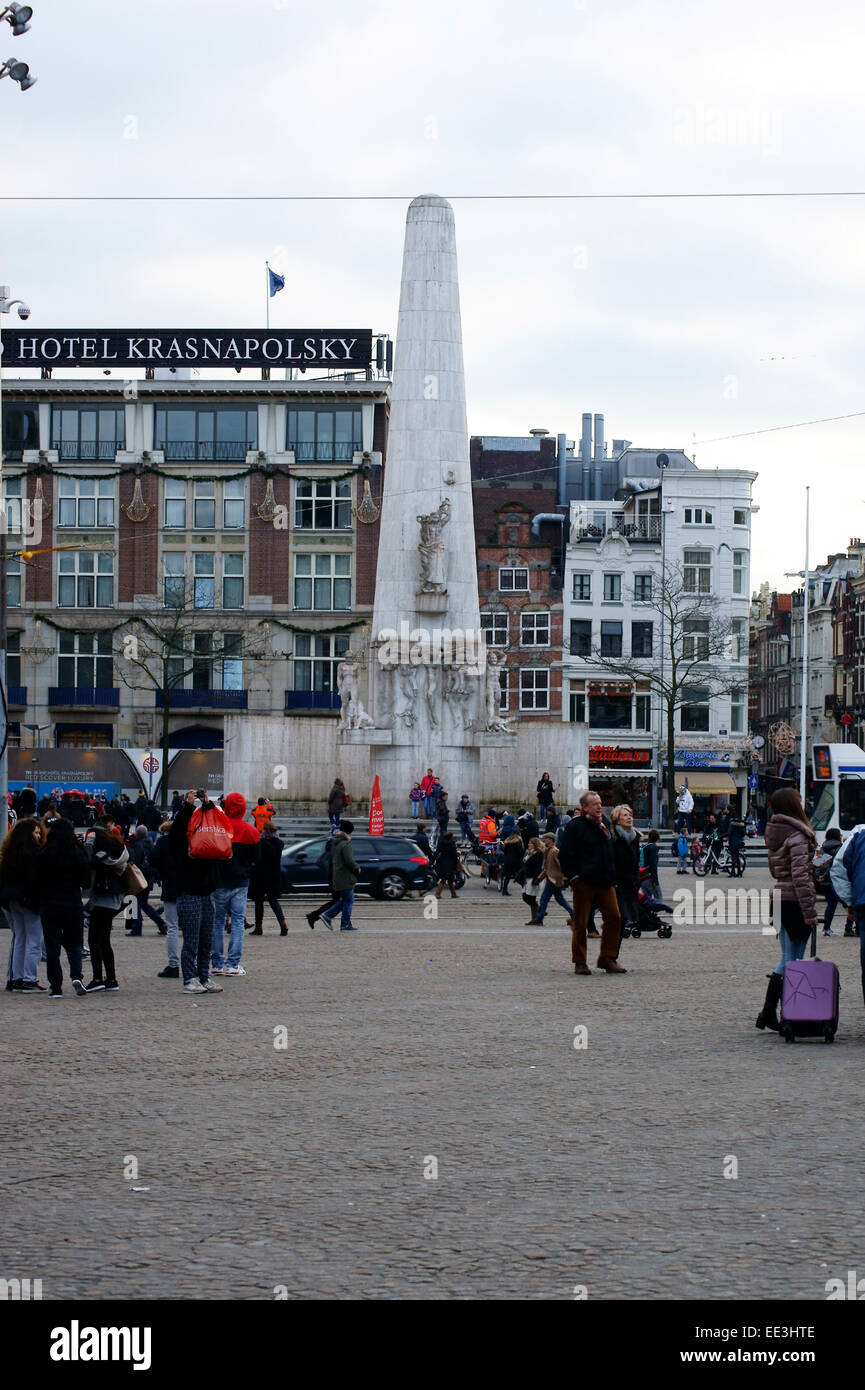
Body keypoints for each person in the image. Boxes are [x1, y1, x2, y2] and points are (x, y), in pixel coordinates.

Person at [755, 788, 818, 1032]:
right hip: (793, 902)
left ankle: (769, 1012)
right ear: (794, 805)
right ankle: (784, 1015)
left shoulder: (776, 833)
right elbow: (801, 878)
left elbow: (777, 871)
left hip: (779, 897)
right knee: (794, 961)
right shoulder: (799, 836)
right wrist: (810, 911)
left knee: (786, 958)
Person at [558, 790, 625, 975]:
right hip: (584, 882)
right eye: (595, 804)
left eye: (600, 803)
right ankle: (580, 962)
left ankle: (607, 958)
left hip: (605, 881)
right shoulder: (576, 826)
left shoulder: (603, 825)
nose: (599, 807)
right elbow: (564, 854)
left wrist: (613, 875)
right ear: (585, 807)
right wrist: (573, 877)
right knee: (581, 922)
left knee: (614, 917)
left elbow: (609, 853)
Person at [168, 793, 226, 994]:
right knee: (191, 939)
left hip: (207, 891)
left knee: (206, 939)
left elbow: (217, 823)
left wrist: (208, 804)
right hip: (190, 891)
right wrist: (188, 806)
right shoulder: (181, 841)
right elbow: (176, 834)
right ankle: (189, 980)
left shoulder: (207, 838)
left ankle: (204, 976)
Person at [39, 816, 92, 999]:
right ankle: (76, 976)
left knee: (52, 945)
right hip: (72, 903)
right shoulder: (78, 851)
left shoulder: (45, 852)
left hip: (50, 903)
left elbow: (37, 878)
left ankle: (55, 986)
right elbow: (86, 882)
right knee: (75, 943)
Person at [211, 793, 261, 977]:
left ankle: (216, 963)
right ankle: (233, 964)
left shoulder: (217, 828)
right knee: (238, 921)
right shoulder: (250, 831)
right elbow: (256, 858)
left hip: (218, 881)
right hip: (240, 881)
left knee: (217, 922)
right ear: (242, 808)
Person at [0, 817, 45, 991]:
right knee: (34, 940)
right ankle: (29, 978)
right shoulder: (35, 854)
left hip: (13, 901)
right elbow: (36, 880)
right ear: (29, 834)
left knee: (19, 938)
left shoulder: (10, 852)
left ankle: (15, 977)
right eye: (36, 832)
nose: (39, 835)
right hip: (30, 901)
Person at [84, 823, 129, 992]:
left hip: (105, 898)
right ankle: (111, 979)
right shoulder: (116, 850)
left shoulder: (103, 855)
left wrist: (89, 844)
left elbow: (90, 862)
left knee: (94, 939)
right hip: (114, 898)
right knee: (104, 940)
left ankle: (97, 978)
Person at [150, 820, 181, 978]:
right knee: (192, 929)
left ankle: (173, 964)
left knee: (172, 928)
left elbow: (152, 859)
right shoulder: (185, 840)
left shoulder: (163, 842)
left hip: (170, 887)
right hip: (187, 887)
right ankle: (193, 963)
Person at [128, 826, 167, 936]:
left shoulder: (137, 845)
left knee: (136, 903)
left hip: (139, 878)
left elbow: (135, 863)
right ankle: (161, 923)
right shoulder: (151, 844)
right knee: (144, 904)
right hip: (149, 879)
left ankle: (136, 928)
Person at [249, 822, 288, 936]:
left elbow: (257, 858)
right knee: (273, 901)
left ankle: (258, 927)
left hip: (260, 875)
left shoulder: (261, 843)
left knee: (259, 902)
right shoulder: (280, 843)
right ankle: (283, 923)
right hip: (274, 875)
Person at [321, 819, 359, 931]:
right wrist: (357, 868)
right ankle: (343, 923)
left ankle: (329, 916)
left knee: (344, 900)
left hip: (338, 875)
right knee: (349, 900)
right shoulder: (345, 844)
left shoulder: (336, 842)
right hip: (345, 876)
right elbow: (349, 861)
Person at [611, 804, 641, 940]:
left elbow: (636, 862)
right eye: (625, 815)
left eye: (630, 815)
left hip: (631, 882)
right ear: (617, 819)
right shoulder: (613, 838)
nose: (629, 817)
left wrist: (637, 879)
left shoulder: (635, 838)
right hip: (617, 882)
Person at [533, 834, 574, 926]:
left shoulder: (554, 851)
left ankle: (539, 919)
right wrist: (540, 878)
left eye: (546, 839)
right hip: (552, 879)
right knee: (560, 899)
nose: (544, 841)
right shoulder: (548, 851)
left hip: (553, 879)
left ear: (551, 840)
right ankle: (574, 914)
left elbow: (561, 864)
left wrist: (565, 877)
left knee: (544, 899)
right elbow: (547, 868)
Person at [812, 826, 843, 937]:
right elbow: (835, 866)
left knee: (831, 904)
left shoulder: (823, 848)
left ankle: (826, 928)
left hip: (823, 881)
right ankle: (827, 928)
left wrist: (819, 877)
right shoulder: (839, 848)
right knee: (839, 903)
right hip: (832, 880)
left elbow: (817, 864)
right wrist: (825, 876)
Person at [517, 836, 545, 924]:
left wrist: (536, 879)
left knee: (531, 898)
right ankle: (539, 914)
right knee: (526, 897)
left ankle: (536, 918)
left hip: (532, 878)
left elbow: (538, 868)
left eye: (530, 843)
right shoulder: (530, 853)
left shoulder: (538, 854)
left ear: (535, 845)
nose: (528, 845)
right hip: (527, 877)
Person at [434, 829, 460, 900]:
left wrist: (433, 860)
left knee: (450, 879)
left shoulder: (441, 842)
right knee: (444, 879)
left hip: (442, 862)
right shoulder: (452, 843)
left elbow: (437, 852)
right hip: (450, 863)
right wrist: (456, 862)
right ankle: (437, 894)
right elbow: (454, 855)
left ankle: (453, 894)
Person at [499, 830, 525, 897]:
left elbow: (504, 850)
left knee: (507, 876)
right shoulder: (518, 841)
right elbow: (520, 852)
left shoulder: (507, 840)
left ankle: (504, 890)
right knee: (520, 875)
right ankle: (525, 889)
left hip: (507, 861)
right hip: (516, 861)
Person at [644, 827, 661, 899]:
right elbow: (653, 865)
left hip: (643, 876)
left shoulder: (645, 846)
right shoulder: (653, 847)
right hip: (650, 876)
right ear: (657, 838)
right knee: (659, 898)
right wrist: (655, 881)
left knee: (647, 900)